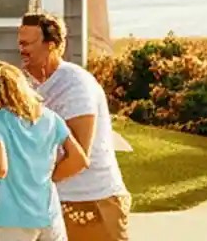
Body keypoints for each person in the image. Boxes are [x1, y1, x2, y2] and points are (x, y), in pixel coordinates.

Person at [0, 60, 90, 241]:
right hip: (49, 218)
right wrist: (41, 180)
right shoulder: (50, 118)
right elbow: (79, 160)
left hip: (12, 222)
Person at [19, 12, 131, 241]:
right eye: (19, 42)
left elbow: (77, 157)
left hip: (91, 203)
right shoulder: (25, 83)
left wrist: (32, 185)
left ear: (51, 45)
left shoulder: (74, 84)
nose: (21, 49)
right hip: (52, 203)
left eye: (27, 43)